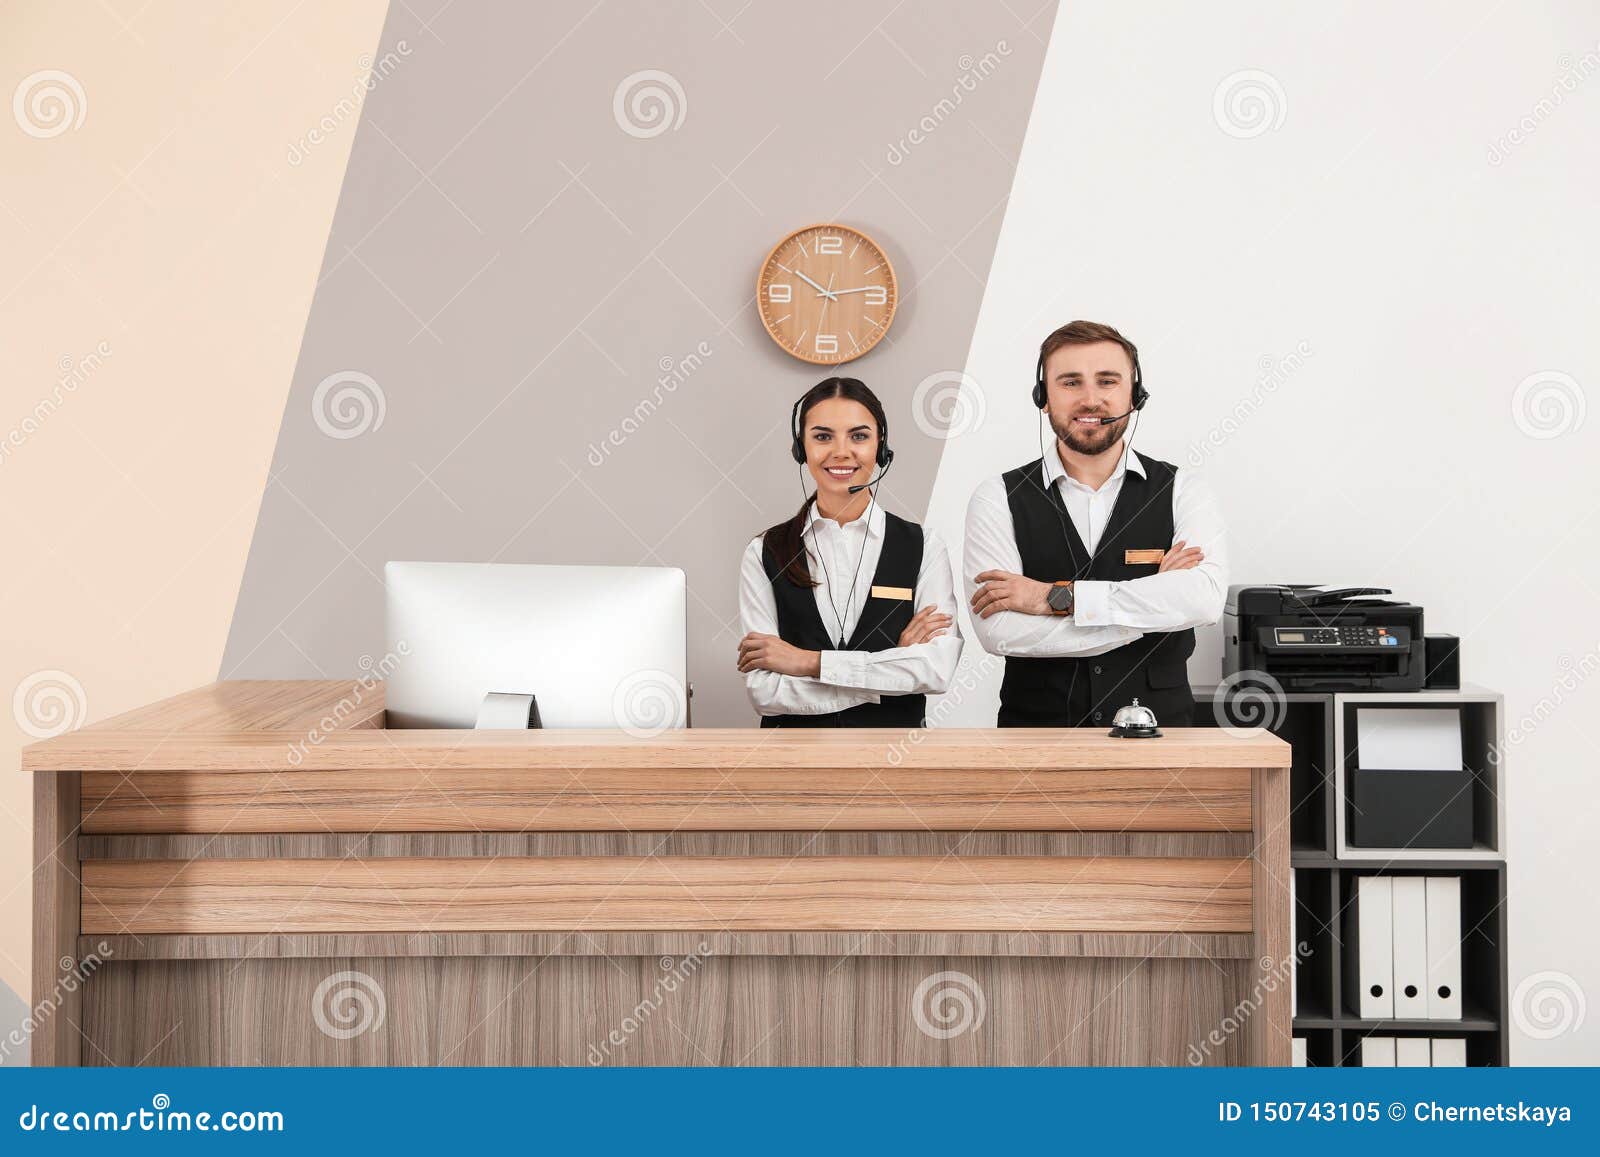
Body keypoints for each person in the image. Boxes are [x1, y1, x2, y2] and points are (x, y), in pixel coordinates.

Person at [964, 320, 1228, 727]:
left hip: (1161, 743)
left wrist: (1052, 599)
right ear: (1043, 397)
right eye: (1071, 382)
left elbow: (1203, 600)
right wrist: (1152, 611)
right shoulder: (996, 496)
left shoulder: (1184, 490)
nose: (1090, 399)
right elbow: (999, 632)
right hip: (1035, 746)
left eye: (1107, 381)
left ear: (1134, 395)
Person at [738, 377, 962, 726]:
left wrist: (808, 663)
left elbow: (935, 670)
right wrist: (891, 668)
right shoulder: (764, 552)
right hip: (792, 764)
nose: (841, 451)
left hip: (894, 761)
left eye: (858, 436)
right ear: (801, 448)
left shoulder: (924, 546)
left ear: (880, 447)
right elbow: (765, 693)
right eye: (823, 436)